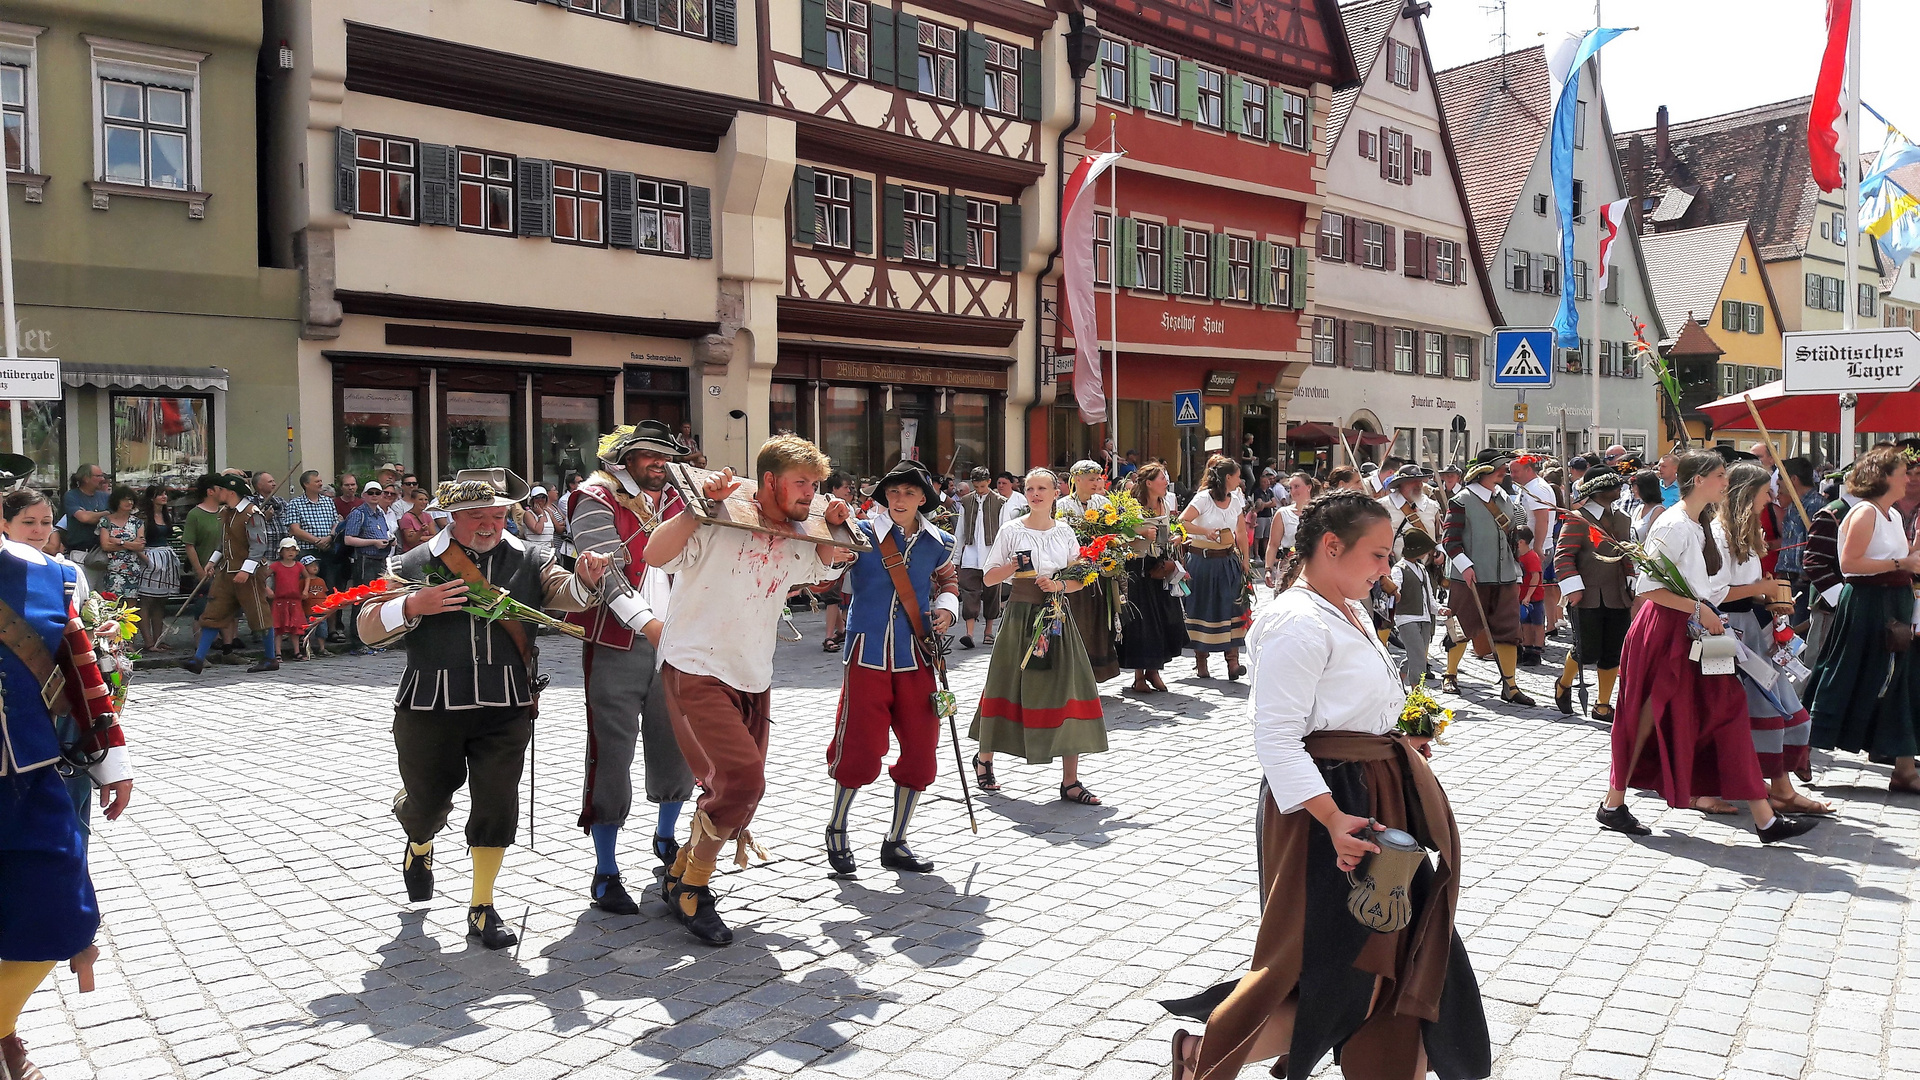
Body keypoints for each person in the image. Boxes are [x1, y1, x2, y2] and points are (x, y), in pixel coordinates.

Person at [1164, 490, 1489, 1080]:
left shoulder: (1351, 608)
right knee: (1336, 966)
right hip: (1328, 811)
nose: (1386, 570)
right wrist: (1334, 820)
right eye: (1378, 555)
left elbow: (1347, 705)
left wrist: (1396, 737)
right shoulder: (1295, 622)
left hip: (1375, 797)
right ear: (1331, 547)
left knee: (1392, 957)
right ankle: (1207, 1055)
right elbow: (1277, 739)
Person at [356, 469, 610, 949]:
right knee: (427, 801)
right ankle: (420, 842)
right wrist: (415, 605)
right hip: (430, 705)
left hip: (507, 703)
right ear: (451, 517)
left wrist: (586, 579)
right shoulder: (411, 563)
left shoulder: (532, 559)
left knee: (496, 804)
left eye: (498, 514)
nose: (490, 525)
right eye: (476, 516)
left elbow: (570, 596)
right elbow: (366, 627)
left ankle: (482, 905)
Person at [643, 435, 854, 946]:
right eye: (801, 483)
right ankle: (693, 889)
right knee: (742, 780)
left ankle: (677, 870)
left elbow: (828, 567)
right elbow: (654, 553)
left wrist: (837, 521)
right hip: (695, 664)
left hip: (753, 672)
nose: (810, 492)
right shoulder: (717, 515)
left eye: (815, 484)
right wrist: (698, 506)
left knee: (734, 791)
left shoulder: (800, 528)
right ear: (768, 481)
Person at [1598, 449, 1818, 843]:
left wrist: (1703, 610)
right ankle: (1613, 803)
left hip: (1699, 629)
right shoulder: (1674, 525)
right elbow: (1648, 588)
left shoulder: (1696, 522)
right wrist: (1700, 607)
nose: (1724, 482)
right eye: (1719, 475)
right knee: (1644, 717)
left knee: (1728, 708)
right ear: (1698, 480)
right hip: (1668, 632)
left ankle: (1765, 819)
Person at [0, 475, 134, 1080]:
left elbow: (83, 675)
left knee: (61, 912)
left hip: (26, 781)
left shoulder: (52, 575)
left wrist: (111, 761)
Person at [564, 422, 699, 917]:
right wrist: (648, 625)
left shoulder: (680, 497)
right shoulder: (594, 496)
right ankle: (605, 868)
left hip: (678, 639)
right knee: (611, 751)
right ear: (624, 457)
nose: (660, 463)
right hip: (618, 640)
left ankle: (666, 840)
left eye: (666, 456)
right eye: (649, 455)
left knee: (677, 742)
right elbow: (606, 571)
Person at [824, 459, 959, 876]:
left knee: (921, 749)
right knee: (860, 747)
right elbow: (825, 574)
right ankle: (837, 828)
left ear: (923, 498)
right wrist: (831, 547)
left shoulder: (939, 541)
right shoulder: (860, 534)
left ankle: (896, 840)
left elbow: (948, 582)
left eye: (909, 493)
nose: (899, 500)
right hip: (867, 655)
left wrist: (947, 612)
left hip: (917, 655)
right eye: (893, 493)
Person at [969, 468, 1108, 805]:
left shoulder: (1064, 533)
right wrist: (1015, 566)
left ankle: (1070, 781)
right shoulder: (1011, 530)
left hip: (1056, 615)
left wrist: (1060, 584)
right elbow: (988, 579)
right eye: (1030, 488)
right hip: (1019, 615)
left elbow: (1081, 577)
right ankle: (984, 758)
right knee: (1005, 683)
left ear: (1055, 493)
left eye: (1042, 488)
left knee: (1068, 686)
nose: (1035, 494)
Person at [1804, 446, 1920, 794]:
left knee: (1898, 679)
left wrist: (1911, 558)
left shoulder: (1894, 515)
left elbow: (1897, 559)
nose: (1908, 478)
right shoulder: (1865, 513)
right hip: (1868, 604)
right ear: (1883, 477)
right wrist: (1903, 564)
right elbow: (1850, 564)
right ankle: (1798, 750)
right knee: (1844, 673)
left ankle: (1903, 767)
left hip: (1893, 603)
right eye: (1902, 472)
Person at [1715, 462, 1829, 816]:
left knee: (1776, 707)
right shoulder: (1719, 534)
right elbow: (1715, 593)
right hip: (1723, 632)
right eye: (1767, 491)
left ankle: (1780, 788)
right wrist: (1762, 589)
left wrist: (1769, 598)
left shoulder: (1747, 533)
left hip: (1753, 626)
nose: (1774, 496)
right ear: (1748, 493)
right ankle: (1713, 785)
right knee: (1726, 708)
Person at [1440, 449, 1534, 705]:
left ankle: (1510, 685)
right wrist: (1465, 566)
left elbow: (1515, 533)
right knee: (1460, 627)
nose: (1505, 472)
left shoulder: (1505, 500)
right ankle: (1450, 674)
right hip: (1469, 577)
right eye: (1499, 468)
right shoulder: (1461, 501)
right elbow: (1449, 540)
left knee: (1508, 630)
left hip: (1504, 577)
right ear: (1483, 472)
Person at [1553, 464, 1635, 721]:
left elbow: (1626, 553)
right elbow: (1563, 555)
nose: (1620, 488)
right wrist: (1572, 587)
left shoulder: (1622, 518)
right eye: (1614, 485)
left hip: (1618, 595)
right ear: (1599, 490)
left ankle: (1602, 705)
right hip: (1586, 595)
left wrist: (1632, 576)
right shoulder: (1578, 519)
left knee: (1613, 651)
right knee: (1585, 650)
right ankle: (1564, 683)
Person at [184, 474, 279, 675]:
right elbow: (224, 543)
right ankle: (198, 659)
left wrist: (246, 570)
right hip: (226, 572)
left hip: (249, 575)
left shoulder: (251, 514)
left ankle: (271, 658)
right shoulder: (227, 512)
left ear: (231, 492)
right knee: (214, 613)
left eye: (221, 490)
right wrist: (211, 563)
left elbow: (258, 546)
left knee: (259, 615)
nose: (218, 493)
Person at [1118, 463, 1190, 694]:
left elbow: (1171, 530)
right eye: (1162, 478)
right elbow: (1119, 535)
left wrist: (1177, 537)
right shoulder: (1132, 506)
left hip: (1161, 566)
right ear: (1148, 483)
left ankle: (1154, 670)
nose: (1166, 481)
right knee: (1143, 622)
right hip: (1138, 567)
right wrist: (1140, 532)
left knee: (1166, 618)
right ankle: (1140, 676)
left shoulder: (1165, 503)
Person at [1182, 455, 1251, 681]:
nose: (1240, 480)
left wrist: (1246, 560)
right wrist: (1205, 532)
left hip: (1227, 560)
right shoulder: (1203, 499)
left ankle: (1233, 662)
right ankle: (1201, 661)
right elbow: (1183, 521)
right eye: (1237, 476)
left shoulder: (1237, 498)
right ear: (1228, 477)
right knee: (1202, 607)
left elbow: (1240, 531)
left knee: (1232, 606)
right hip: (1202, 561)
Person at [1057, 460, 1121, 683]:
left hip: (1100, 572)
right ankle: (1074, 674)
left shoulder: (1103, 503)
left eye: (1098, 478)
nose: (1097, 483)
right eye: (1092, 479)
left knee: (1099, 623)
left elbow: (1115, 531)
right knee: (1079, 620)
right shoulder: (1062, 506)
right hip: (1075, 573)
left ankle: (1096, 674)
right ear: (1077, 480)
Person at [955, 466, 1008, 650]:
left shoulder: (1000, 502)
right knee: (969, 592)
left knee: (992, 593)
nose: (979, 490)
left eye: (982, 487)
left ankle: (988, 631)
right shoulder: (966, 502)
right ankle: (969, 633)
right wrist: (955, 558)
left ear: (989, 483)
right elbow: (960, 531)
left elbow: (1004, 531)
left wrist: (1004, 558)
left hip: (991, 555)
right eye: (976, 487)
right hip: (970, 554)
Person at [1509, 454, 1560, 643]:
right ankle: (1529, 639)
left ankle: (1531, 641)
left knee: (1531, 594)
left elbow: (1542, 519)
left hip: (1534, 549)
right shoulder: (1527, 487)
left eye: (1515, 471)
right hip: (1527, 548)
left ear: (1529, 470)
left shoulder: (1537, 488)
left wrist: (1537, 547)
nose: (1512, 475)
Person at [1393, 529, 1445, 688]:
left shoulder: (1422, 569)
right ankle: (1417, 693)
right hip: (1406, 618)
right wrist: (1395, 592)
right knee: (1419, 658)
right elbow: (1395, 590)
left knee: (1416, 654)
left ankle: (1397, 680)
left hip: (1424, 618)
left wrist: (1438, 609)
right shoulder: (1398, 569)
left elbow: (1429, 594)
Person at [134, 483, 179, 652]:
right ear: (152, 498)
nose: (164, 497)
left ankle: (158, 639)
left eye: (165, 494)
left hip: (165, 558)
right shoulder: (144, 517)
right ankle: (148, 641)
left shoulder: (166, 515)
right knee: (146, 600)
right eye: (160, 494)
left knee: (161, 601)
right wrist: (147, 560)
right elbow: (138, 541)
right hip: (150, 556)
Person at [1263, 472, 1321, 585]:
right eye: (1291, 488)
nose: (1293, 491)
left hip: (1312, 567)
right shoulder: (1283, 513)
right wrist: (1268, 569)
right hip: (1288, 567)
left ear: (1309, 487)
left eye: (1297, 486)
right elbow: (1273, 544)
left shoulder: (1319, 512)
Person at [819, 473, 855, 652]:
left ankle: (840, 630)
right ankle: (828, 636)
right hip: (830, 558)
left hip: (845, 559)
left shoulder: (850, 508)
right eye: (845, 487)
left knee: (840, 597)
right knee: (832, 597)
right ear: (834, 489)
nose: (849, 490)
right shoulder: (823, 507)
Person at [95, 486, 145, 600]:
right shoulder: (106, 521)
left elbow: (140, 546)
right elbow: (105, 545)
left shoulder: (137, 522)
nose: (129, 502)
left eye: (131, 500)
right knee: (113, 604)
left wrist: (118, 541)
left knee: (131, 605)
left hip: (132, 569)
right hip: (112, 569)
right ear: (117, 501)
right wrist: (131, 544)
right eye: (125, 499)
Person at [266, 538, 312, 662]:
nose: (290, 553)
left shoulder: (299, 566)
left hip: (295, 601)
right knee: (278, 628)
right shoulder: (276, 566)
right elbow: (262, 577)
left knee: (295, 628)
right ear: (281, 552)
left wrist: (305, 590)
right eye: (287, 550)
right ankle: (278, 652)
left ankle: (297, 652)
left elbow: (307, 577)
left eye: (293, 550)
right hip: (279, 601)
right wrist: (268, 590)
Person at [60, 463, 110, 554]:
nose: (102, 479)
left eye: (102, 476)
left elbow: (115, 517)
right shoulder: (72, 496)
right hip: (80, 551)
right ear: (86, 478)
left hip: (103, 551)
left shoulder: (106, 496)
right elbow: (84, 518)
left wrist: (91, 514)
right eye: (98, 476)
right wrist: (106, 513)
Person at [1513, 525, 1545, 665]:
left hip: (1534, 598)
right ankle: (1528, 649)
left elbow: (1535, 577)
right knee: (1525, 624)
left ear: (1521, 542)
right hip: (1522, 598)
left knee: (1537, 625)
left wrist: (1528, 596)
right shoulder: (1520, 557)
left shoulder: (1531, 557)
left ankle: (1536, 653)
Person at [516, 487, 558, 561]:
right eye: (537, 497)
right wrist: (540, 514)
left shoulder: (548, 513)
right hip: (535, 554)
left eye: (543, 497)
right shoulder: (528, 514)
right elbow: (538, 530)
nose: (540, 500)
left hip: (549, 552)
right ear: (532, 500)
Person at [1628, 469, 1667, 544]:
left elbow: (1650, 540)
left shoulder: (1658, 511)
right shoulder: (1639, 508)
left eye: (1634, 487)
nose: (1632, 490)